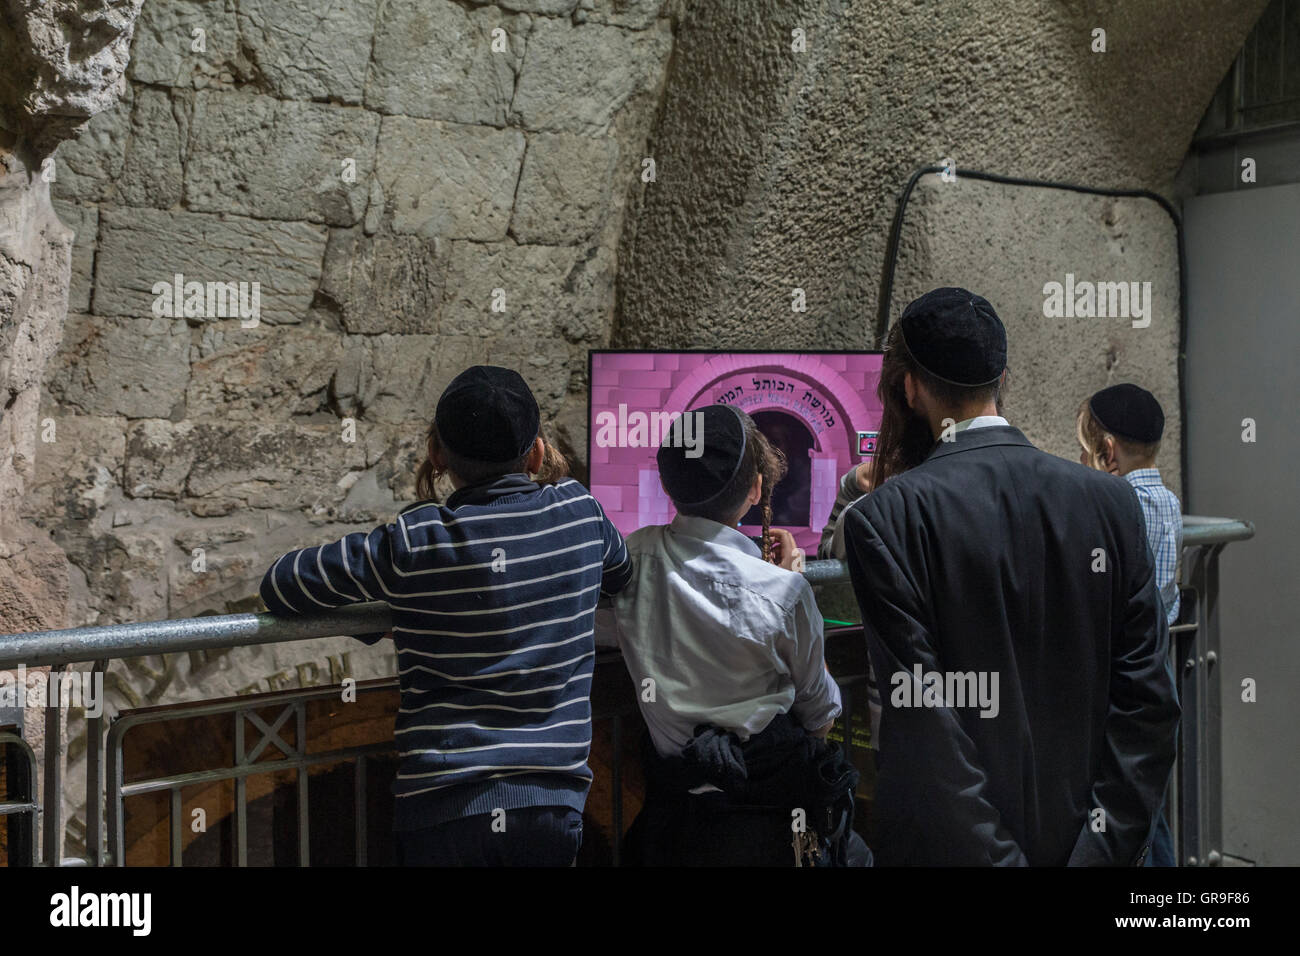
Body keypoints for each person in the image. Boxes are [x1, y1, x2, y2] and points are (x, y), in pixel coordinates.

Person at [842, 287, 1179, 866]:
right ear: (1003, 376)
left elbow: (926, 734)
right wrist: (1099, 853)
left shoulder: (883, 519)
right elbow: (1147, 707)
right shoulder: (1110, 504)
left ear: (907, 387)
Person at [259, 366, 633, 866]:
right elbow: (620, 573)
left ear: (437, 456)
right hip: (550, 808)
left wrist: (387, 613)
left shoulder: (415, 541)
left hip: (444, 809)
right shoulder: (581, 512)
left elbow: (283, 584)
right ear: (538, 453)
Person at [609, 403, 866, 865]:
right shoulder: (785, 592)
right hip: (768, 822)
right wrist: (789, 586)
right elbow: (822, 717)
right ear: (756, 488)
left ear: (667, 485)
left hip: (674, 823)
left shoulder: (633, 557)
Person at [1078, 382, 1183, 866]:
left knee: (1110, 813)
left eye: (1083, 450)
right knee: (1147, 805)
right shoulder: (1169, 504)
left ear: (1107, 450)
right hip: (1156, 681)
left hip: (1113, 687)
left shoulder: (1115, 508)